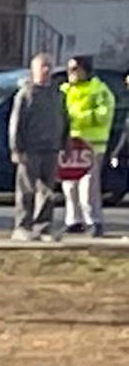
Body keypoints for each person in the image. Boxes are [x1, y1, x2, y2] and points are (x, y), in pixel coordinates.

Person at [11, 53, 68, 240]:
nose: (46, 70)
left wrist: (64, 145)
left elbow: (65, 120)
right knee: (26, 190)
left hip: (51, 149)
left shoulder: (58, 95)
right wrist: (17, 149)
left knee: (48, 191)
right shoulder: (25, 95)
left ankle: (43, 227)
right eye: (42, 66)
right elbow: (16, 124)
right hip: (30, 150)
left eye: (49, 66)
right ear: (34, 70)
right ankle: (22, 227)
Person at [63, 54, 112, 235]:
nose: (71, 73)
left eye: (75, 69)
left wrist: (76, 118)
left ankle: (94, 221)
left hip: (91, 144)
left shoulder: (98, 90)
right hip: (69, 143)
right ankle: (73, 220)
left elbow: (103, 114)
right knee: (69, 184)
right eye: (69, 69)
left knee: (88, 185)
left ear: (85, 70)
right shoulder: (65, 90)